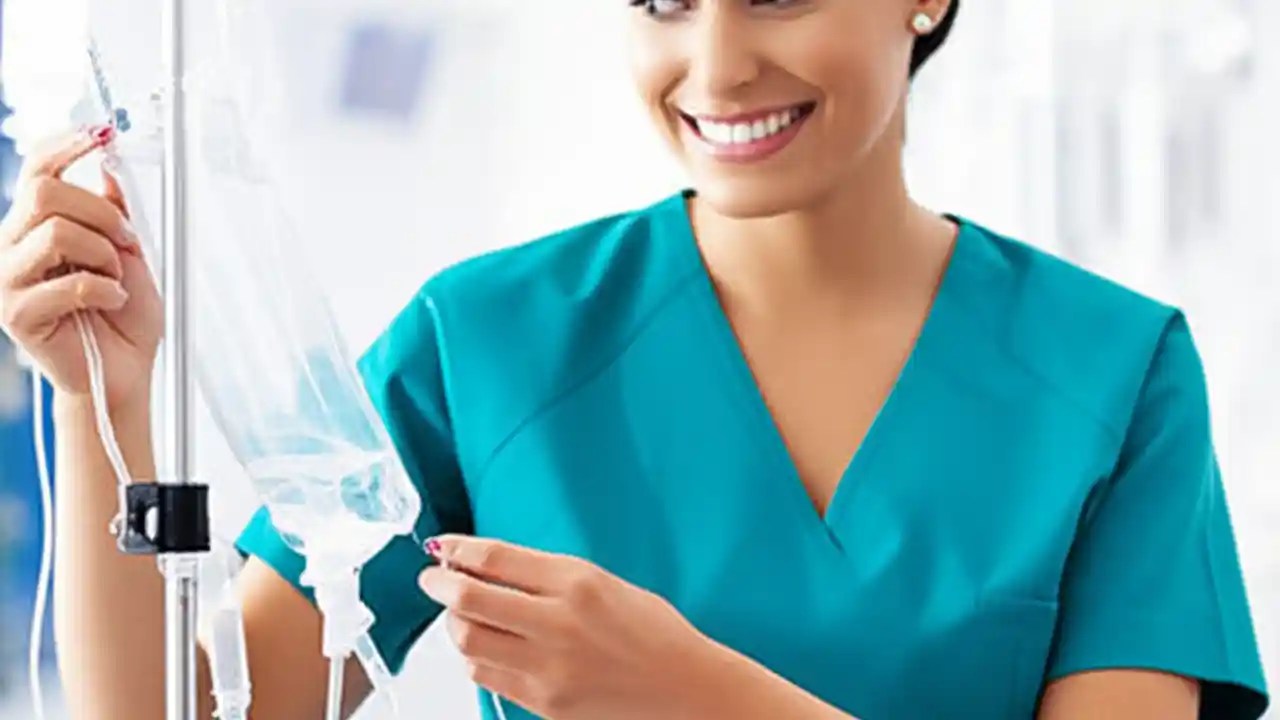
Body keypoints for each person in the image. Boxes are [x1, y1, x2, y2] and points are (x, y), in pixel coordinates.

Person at [0, 1, 1270, 718]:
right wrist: (103, 400)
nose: (716, 66)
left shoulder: (1114, 372)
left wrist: (691, 696)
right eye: (663, 1)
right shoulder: (485, 341)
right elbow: (189, 714)